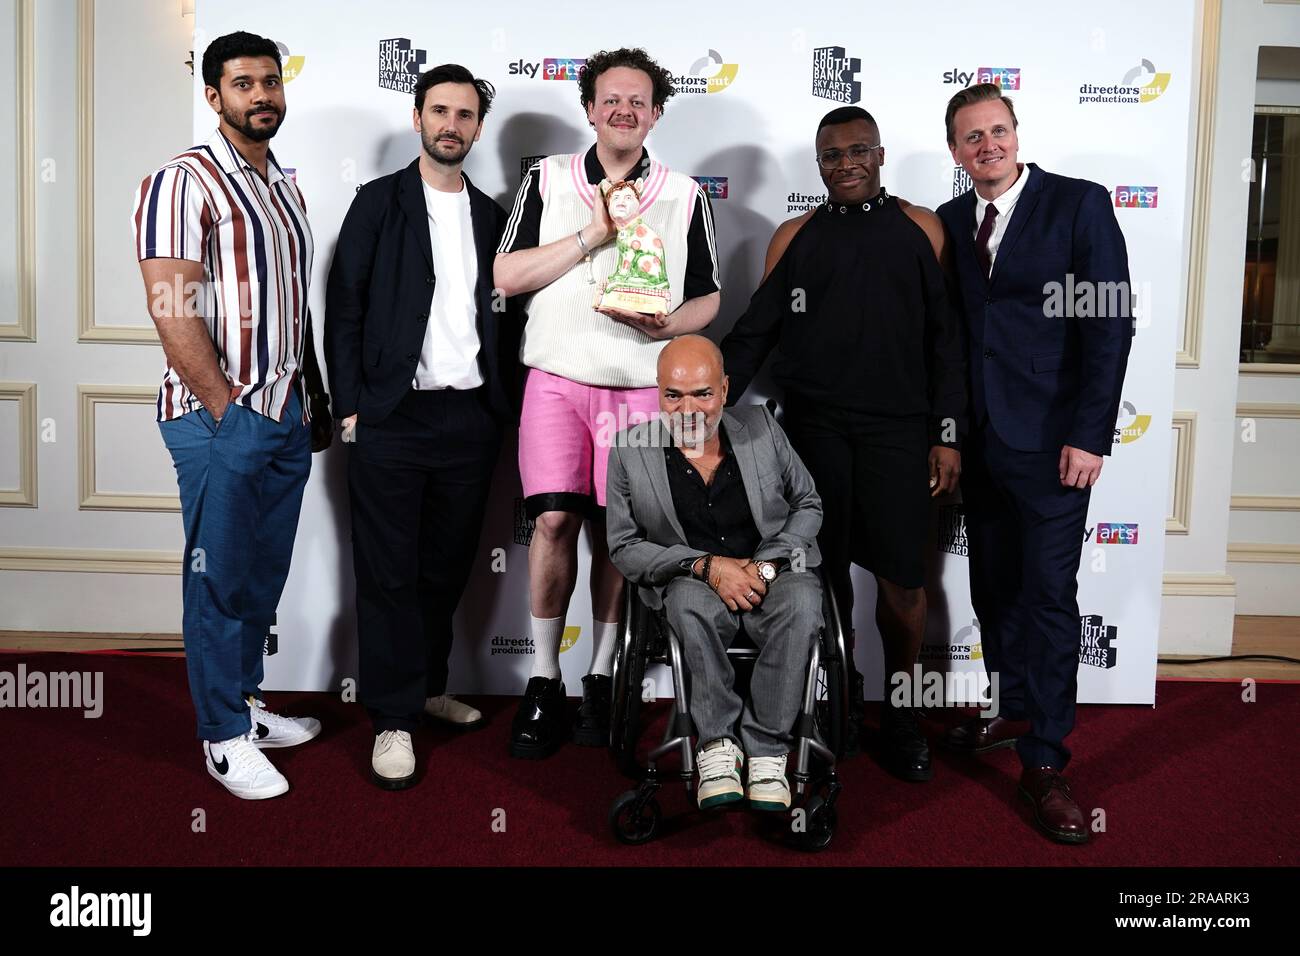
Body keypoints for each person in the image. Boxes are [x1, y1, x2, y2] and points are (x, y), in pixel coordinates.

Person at [720, 106, 966, 782]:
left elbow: (947, 343)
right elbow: (753, 334)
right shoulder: (793, 236)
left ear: (880, 155)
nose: (847, 163)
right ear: (819, 165)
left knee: (903, 581)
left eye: (859, 150)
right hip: (813, 432)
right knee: (822, 583)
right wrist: (705, 401)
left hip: (899, 431)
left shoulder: (921, 228)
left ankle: (906, 712)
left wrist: (947, 436)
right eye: (833, 155)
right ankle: (841, 701)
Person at [494, 48, 721, 758]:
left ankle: (602, 675)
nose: (624, 111)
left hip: (638, 387)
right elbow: (506, 274)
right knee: (555, 521)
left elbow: (710, 296)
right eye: (610, 100)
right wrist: (592, 233)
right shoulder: (547, 179)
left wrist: (670, 324)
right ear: (589, 108)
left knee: (619, 540)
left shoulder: (685, 194)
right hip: (557, 379)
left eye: (638, 102)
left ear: (656, 113)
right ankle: (542, 678)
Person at [935, 83, 1133, 844]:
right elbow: (954, 338)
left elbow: (1110, 323)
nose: (987, 145)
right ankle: (1013, 711)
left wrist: (1092, 435)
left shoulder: (1078, 205)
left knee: (1050, 599)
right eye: (971, 137)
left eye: (997, 131)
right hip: (983, 446)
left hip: (1055, 447)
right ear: (957, 151)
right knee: (995, 589)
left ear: (1016, 135)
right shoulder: (953, 220)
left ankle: (1046, 760)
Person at [132, 31, 326, 801]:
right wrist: (227, 409)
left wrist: (306, 404)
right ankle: (220, 736)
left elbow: (288, 308)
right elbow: (172, 305)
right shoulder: (185, 181)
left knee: (260, 575)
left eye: (270, 81)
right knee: (216, 580)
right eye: (243, 84)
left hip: (284, 412)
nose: (262, 95)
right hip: (220, 418)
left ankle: (243, 700)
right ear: (214, 97)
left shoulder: (285, 184)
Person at [325, 65, 520, 790]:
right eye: (440, 110)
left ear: (477, 126)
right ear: (417, 117)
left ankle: (427, 686)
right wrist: (351, 405)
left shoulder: (494, 217)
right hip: (391, 417)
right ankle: (393, 719)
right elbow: (343, 307)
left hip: (469, 420)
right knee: (388, 575)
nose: (452, 125)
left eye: (465, 115)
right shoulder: (378, 205)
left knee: (444, 568)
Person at [605, 336, 823, 810]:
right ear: (657, 393)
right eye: (674, 395)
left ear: (725, 390)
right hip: (693, 579)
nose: (688, 409)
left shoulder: (762, 428)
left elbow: (808, 503)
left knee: (805, 601)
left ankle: (767, 752)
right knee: (685, 601)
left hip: (774, 569)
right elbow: (624, 546)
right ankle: (717, 746)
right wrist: (705, 566)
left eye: (703, 393)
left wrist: (766, 564)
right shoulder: (628, 449)